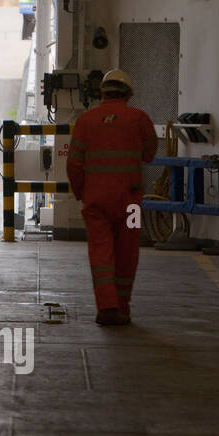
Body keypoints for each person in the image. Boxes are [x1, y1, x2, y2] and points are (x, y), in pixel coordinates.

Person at [65, 69, 157, 326]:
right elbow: (149, 154)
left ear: (102, 92)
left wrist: (82, 192)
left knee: (100, 252)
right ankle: (123, 308)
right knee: (128, 253)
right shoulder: (139, 119)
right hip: (131, 203)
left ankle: (107, 308)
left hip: (96, 203)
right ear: (128, 93)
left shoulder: (85, 121)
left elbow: (73, 164)